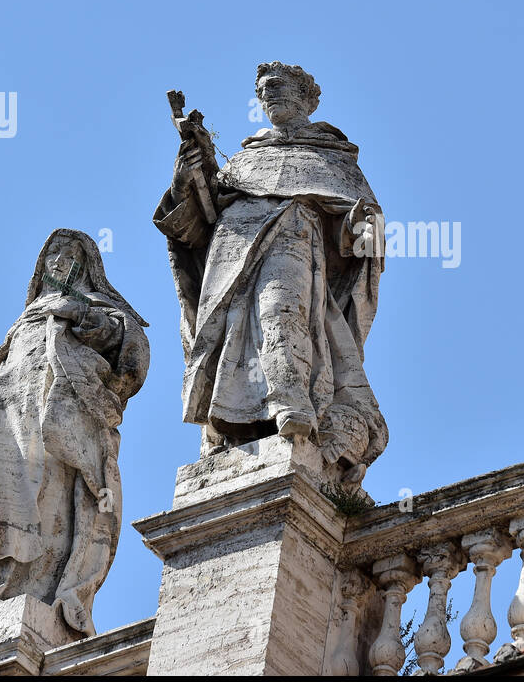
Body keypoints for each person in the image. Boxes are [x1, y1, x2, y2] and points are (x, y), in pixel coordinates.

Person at [154, 62, 387, 489]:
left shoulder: (329, 154)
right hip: (231, 246)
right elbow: (194, 227)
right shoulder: (246, 157)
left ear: (306, 97)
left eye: (277, 86)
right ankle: (230, 427)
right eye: (262, 90)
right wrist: (188, 175)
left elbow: (355, 229)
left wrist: (358, 226)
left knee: (281, 314)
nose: (269, 95)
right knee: (231, 333)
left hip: (293, 235)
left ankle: (290, 406)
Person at [0, 228, 149, 637]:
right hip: (4, 424)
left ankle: (15, 598)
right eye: (53, 253)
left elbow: (131, 352)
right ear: (41, 265)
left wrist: (81, 314)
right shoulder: (23, 321)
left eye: (71, 255)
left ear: (87, 269)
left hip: (54, 423)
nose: (60, 260)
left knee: (33, 498)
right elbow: (9, 387)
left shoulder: (97, 308)